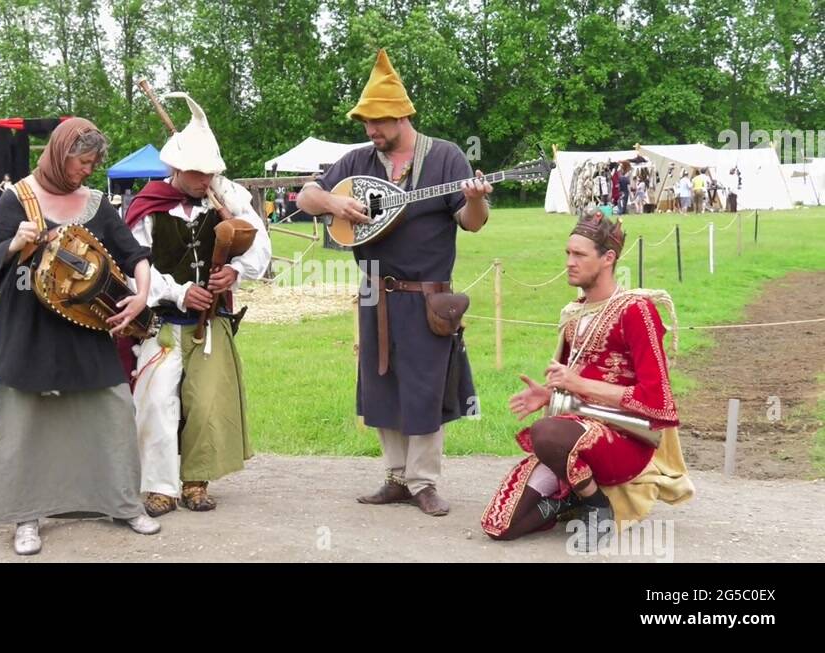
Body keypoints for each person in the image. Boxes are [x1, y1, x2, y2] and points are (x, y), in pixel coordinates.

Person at [296, 49, 492, 516]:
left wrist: (477, 199)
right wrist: (334, 204)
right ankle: (396, 477)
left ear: (402, 115)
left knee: (424, 385)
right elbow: (306, 196)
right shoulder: (358, 160)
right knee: (382, 382)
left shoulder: (445, 156)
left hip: (429, 296)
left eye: (378, 122)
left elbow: (472, 222)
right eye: (366, 122)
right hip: (374, 291)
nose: (371, 131)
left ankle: (423, 482)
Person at [0, 118, 160, 555]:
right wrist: (17, 244)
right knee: (25, 424)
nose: (89, 170)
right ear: (60, 154)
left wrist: (141, 296)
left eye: (94, 162)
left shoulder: (94, 202)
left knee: (112, 410)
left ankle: (123, 503)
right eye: (84, 161)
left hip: (86, 324)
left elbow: (134, 254)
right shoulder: (17, 198)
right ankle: (26, 516)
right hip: (27, 329)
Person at [480, 209, 694, 549]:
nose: (569, 262)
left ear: (608, 258)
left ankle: (598, 506)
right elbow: (567, 384)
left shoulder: (636, 310)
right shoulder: (573, 313)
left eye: (579, 254)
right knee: (500, 524)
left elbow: (658, 402)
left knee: (545, 433)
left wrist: (578, 386)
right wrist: (548, 397)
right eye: (568, 252)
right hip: (572, 431)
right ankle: (573, 498)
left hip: (626, 440)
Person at [124, 93, 271, 517]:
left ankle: (195, 481)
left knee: (207, 402)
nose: (203, 178)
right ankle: (159, 486)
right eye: (195, 171)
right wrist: (179, 291)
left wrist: (236, 273)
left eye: (209, 171)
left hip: (212, 322)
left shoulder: (229, 198)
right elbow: (137, 266)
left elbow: (260, 246)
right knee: (156, 402)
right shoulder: (148, 204)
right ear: (174, 167)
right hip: (162, 323)